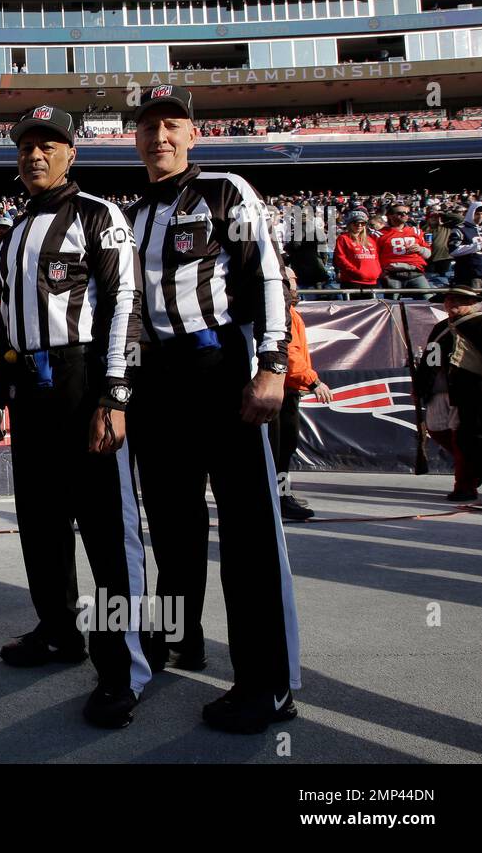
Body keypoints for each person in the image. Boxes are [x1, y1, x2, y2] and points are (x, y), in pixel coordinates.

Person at [125, 85, 302, 733]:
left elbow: (267, 278)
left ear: (192, 133)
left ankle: (268, 682)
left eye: (172, 125)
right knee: (171, 525)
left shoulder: (226, 190)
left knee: (249, 531)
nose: (160, 136)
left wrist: (273, 365)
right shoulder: (133, 212)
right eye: (148, 127)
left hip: (223, 370)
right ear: (134, 138)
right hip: (158, 383)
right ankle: (181, 635)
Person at [0, 105, 152, 728]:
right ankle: (58, 631)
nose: (35, 155)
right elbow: (11, 326)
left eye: (48, 144)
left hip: (84, 383)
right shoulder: (16, 226)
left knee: (106, 532)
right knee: (40, 521)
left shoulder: (99, 215)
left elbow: (125, 307)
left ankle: (122, 668)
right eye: (26, 144)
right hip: (31, 386)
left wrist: (115, 394)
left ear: (71, 152)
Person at [271, 268, 334, 521]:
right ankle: (281, 498)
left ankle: (280, 497)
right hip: (283, 389)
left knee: (280, 450)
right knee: (282, 450)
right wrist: (313, 380)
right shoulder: (285, 313)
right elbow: (290, 353)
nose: (295, 286)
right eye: (292, 281)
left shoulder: (288, 311)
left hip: (283, 387)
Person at [416, 286, 482, 502]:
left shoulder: (481, 324)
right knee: (436, 430)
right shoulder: (440, 327)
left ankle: (465, 485)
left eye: (460, 299)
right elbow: (429, 360)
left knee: (464, 438)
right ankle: (476, 467)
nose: (452, 303)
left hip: (469, 389)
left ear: (473, 303)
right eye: (449, 299)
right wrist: (418, 387)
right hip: (438, 389)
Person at [376, 202, 432, 298]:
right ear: (390, 216)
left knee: (429, 300)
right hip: (392, 275)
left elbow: (428, 254)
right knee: (392, 304)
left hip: (415, 272)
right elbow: (374, 256)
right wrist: (381, 273)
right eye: (400, 213)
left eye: (406, 213)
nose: (404, 215)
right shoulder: (379, 235)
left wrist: (420, 249)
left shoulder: (416, 231)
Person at [331, 209, 380, 296]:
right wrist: (356, 272)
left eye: (363, 223)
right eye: (356, 223)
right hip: (353, 280)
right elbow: (340, 258)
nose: (359, 225)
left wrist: (377, 271)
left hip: (372, 280)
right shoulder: (343, 238)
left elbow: (376, 258)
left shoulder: (371, 240)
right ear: (350, 224)